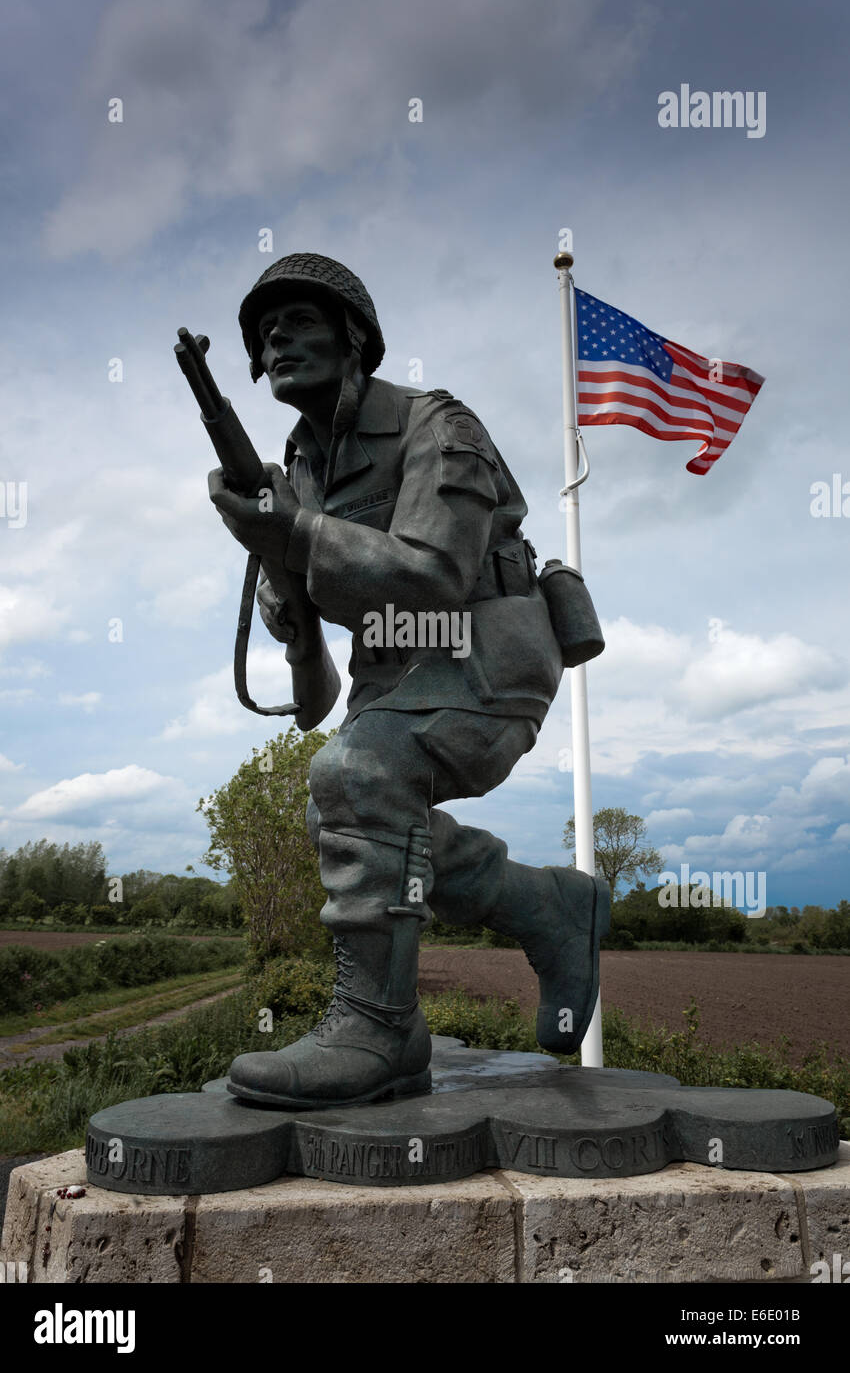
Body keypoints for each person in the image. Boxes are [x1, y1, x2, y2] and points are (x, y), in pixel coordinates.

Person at [208, 253, 609, 1109]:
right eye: (264, 331)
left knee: (359, 773)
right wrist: (279, 572)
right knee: (339, 798)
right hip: (392, 675)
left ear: (354, 338)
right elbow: (314, 707)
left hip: (486, 651)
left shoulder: (437, 422)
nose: (276, 337)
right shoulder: (302, 470)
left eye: (299, 320)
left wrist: (298, 533)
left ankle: (378, 1026)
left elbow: (432, 572)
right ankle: (547, 909)